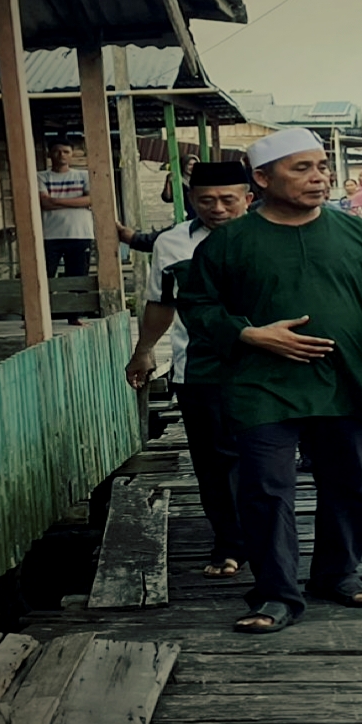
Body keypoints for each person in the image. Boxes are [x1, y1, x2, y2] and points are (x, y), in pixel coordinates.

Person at [179, 127, 362, 633]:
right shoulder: (228, 244)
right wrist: (251, 334)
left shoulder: (360, 235)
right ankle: (275, 593)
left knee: (348, 484)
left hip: (348, 379)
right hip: (262, 384)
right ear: (262, 178)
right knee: (266, 489)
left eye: (321, 167)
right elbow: (198, 307)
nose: (318, 178)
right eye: (302, 168)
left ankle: (338, 574)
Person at [124, 161, 253, 578]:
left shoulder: (271, 237)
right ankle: (230, 542)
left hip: (267, 367)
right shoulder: (173, 242)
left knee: (263, 454)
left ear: (247, 199)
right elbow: (161, 303)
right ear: (191, 200)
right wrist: (144, 350)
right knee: (213, 460)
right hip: (199, 367)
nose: (217, 208)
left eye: (227, 200)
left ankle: (267, 538)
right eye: (205, 201)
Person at [38, 140, 93, 325]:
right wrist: (77, 200)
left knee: (77, 277)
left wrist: (56, 201)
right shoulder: (41, 176)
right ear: (49, 154)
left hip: (80, 233)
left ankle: (75, 316)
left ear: (72, 154)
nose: (61, 155)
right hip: (50, 234)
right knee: (44, 276)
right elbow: (44, 203)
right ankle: (41, 315)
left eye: (65, 151)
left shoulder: (84, 175)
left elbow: (91, 199)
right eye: (57, 151)